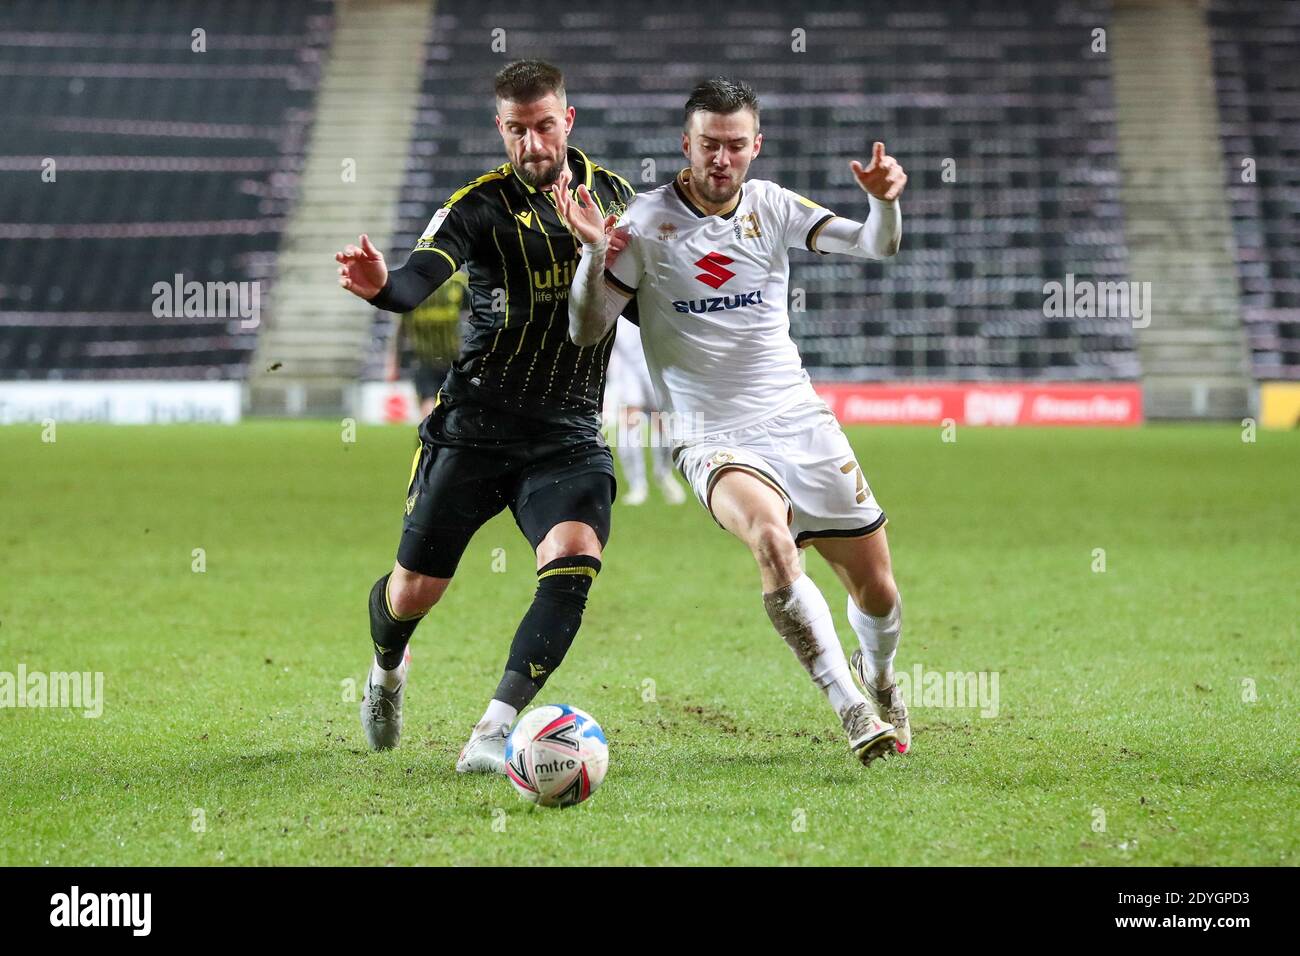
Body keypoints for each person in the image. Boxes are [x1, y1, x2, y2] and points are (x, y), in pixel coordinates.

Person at [560, 76, 911, 765]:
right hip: (710, 434)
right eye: (708, 145)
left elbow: (877, 245)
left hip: (798, 420)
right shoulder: (640, 225)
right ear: (685, 144)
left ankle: (881, 679)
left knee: (878, 590)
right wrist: (589, 257)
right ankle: (851, 711)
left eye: (735, 145)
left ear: (756, 146)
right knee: (772, 541)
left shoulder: (775, 207)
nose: (721, 158)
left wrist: (883, 202)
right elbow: (585, 329)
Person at [334, 59, 634, 773]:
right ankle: (386, 670)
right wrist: (384, 289)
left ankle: (494, 733)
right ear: (500, 129)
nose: (533, 143)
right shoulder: (477, 205)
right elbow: (417, 278)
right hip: (474, 425)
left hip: (566, 430)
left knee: (573, 560)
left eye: (545, 126)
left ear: (569, 121)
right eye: (516, 130)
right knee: (411, 594)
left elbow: (649, 293)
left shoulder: (617, 197)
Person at [604, 316, 687, 506]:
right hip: (626, 364)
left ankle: (663, 473)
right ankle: (637, 484)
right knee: (629, 418)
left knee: (661, 420)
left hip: (654, 359)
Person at [384, 271, 466, 421]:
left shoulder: (411, 287)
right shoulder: (457, 283)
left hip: (444, 358)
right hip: (432, 358)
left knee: (431, 402)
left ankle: (431, 434)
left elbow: (400, 330)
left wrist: (392, 364)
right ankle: (436, 434)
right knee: (437, 402)